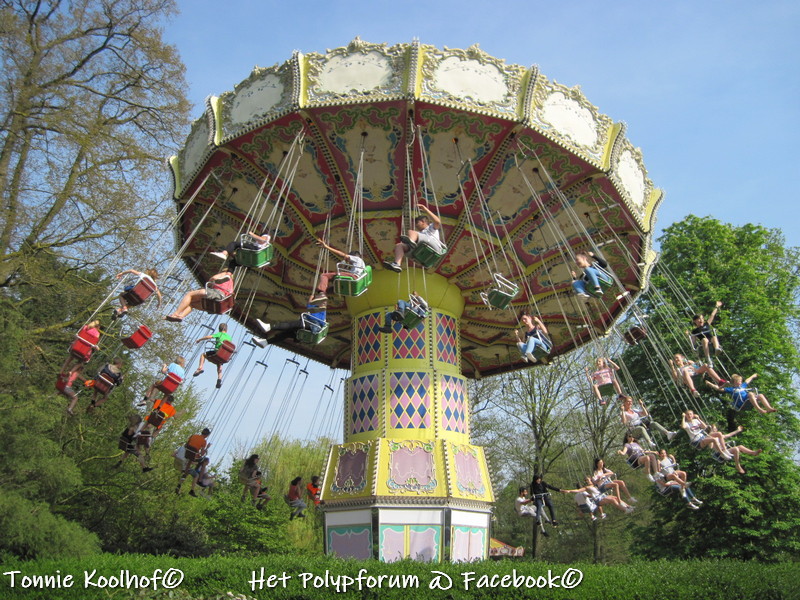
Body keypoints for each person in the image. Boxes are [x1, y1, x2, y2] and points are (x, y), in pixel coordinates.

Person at [383, 203, 443, 272]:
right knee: (399, 245)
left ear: (423, 222)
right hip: (424, 249)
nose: (416, 225)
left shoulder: (431, 228)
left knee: (411, 231)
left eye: (417, 222)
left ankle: (411, 242)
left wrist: (425, 209)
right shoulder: (420, 233)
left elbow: (437, 222)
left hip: (434, 247)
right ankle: (397, 264)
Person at [254, 294, 327, 345]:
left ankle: (269, 327)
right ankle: (266, 342)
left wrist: (311, 299)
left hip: (312, 326)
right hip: (310, 330)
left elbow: (310, 308)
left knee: (291, 325)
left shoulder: (321, 309)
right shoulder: (321, 310)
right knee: (285, 334)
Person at [166, 271, 234, 322]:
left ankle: (176, 313)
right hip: (219, 306)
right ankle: (180, 316)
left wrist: (210, 282)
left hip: (217, 293)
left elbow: (214, 278)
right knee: (192, 304)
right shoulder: (231, 284)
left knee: (189, 294)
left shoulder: (225, 274)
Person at [564, 477, 634, 521]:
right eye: (586, 481)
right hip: (598, 500)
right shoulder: (586, 488)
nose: (587, 482)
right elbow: (578, 490)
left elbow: (602, 479)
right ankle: (625, 510)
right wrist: (569, 491)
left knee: (614, 497)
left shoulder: (594, 484)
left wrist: (603, 477)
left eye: (588, 480)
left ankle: (628, 506)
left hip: (601, 496)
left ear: (591, 479)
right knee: (612, 500)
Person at [706, 373, 777, 414]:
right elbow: (719, 389)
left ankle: (769, 408)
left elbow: (747, 381)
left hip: (748, 399)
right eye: (739, 381)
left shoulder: (742, 386)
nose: (741, 382)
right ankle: (759, 409)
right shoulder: (732, 389)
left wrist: (753, 376)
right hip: (742, 403)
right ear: (735, 382)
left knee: (760, 395)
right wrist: (710, 384)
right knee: (751, 394)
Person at [193, 323, 232, 389]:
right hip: (224, 356)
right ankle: (219, 379)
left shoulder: (219, 334)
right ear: (227, 330)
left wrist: (199, 339)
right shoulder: (229, 337)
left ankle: (200, 368)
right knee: (219, 365)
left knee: (203, 355)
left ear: (219, 329)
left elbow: (209, 337)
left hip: (217, 353)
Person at [176, 428, 211, 494]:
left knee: (190, 461)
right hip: (191, 457)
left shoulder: (193, 436)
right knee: (195, 471)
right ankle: (193, 486)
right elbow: (202, 454)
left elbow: (186, 444)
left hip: (187, 454)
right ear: (206, 435)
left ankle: (180, 484)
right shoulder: (204, 441)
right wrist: (207, 448)